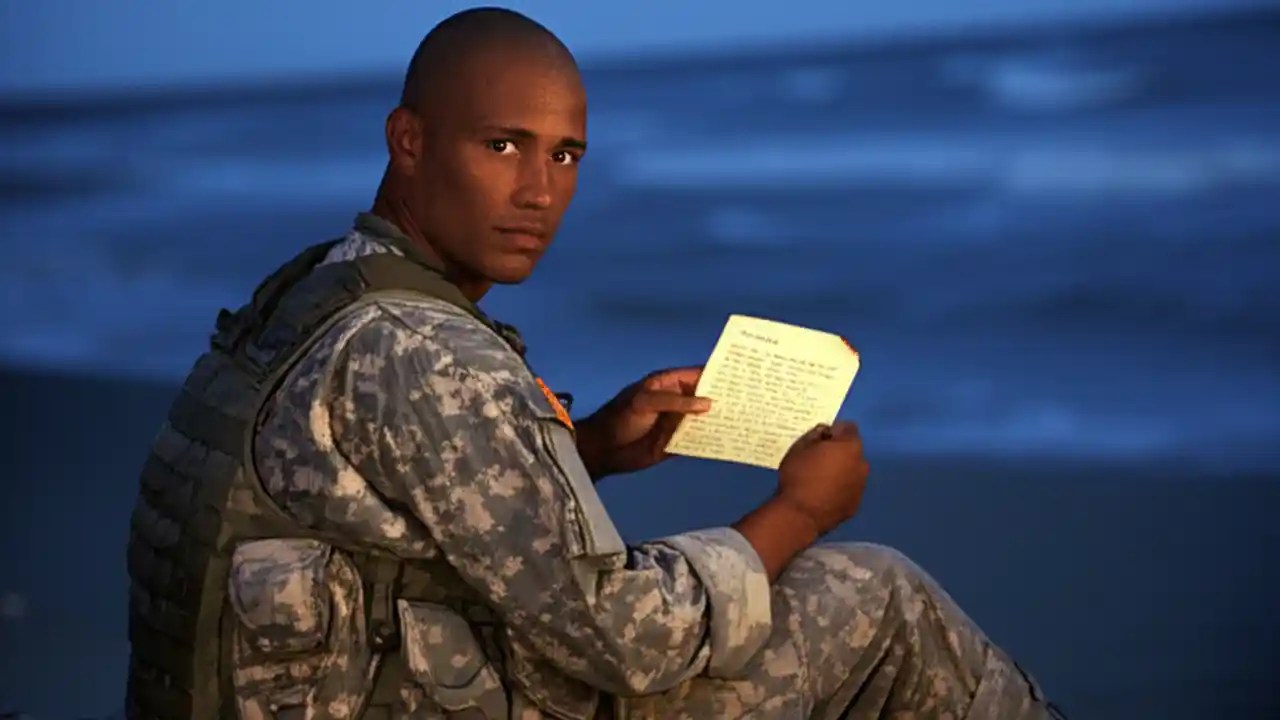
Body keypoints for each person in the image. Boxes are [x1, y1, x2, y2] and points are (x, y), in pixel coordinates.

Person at [123, 6, 1063, 719]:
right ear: (408, 141)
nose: (538, 192)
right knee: (879, 596)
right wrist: (800, 512)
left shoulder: (323, 287)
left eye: (566, 156)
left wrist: (591, 449)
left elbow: (391, 516)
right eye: (502, 146)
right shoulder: (428, 352)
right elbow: (631, 642)